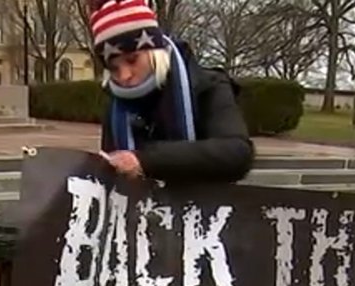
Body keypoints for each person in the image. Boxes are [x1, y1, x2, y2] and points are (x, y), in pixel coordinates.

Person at [91, 0, 255, 185]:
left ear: (154, 52)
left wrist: (146, 161)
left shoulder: (208, 85)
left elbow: (237, 153)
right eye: (114, 68)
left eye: (132, 60)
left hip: (203, 201)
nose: (124, 76)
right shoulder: (116, 107)